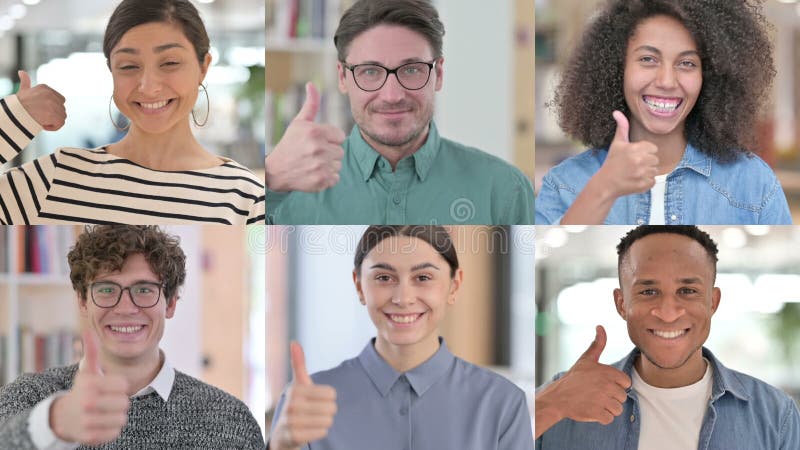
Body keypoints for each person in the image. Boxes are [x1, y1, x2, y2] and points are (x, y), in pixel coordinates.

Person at [265, 0, 535, 225]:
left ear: (438, 74)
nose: (392, 95)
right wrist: (271, 181)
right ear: (343, 77)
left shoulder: (504, 191)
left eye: (411, 70)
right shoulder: (284, 190)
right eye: (370, 71)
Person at [268, 226, 534, 449]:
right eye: (384, 277)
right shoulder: (305, 403)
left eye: (423, 277)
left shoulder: (503, 403)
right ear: (359, 286)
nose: (403, 298)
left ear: (454, 285)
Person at [0, 0, 265, 224]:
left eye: (170, 62)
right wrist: (12, 119)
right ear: (111, 71)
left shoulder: (244, 196)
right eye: (128, 66)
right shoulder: (58, 178)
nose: (149, 87)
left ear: (203, 67)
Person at [535, 226, 800, 449]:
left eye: (687, 290)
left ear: (713, 302)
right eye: (649, 292)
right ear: (621, 303)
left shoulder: (776, 415)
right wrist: (548, 405)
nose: (668, 313)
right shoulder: (563, 397)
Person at [0, 225, 265, 448]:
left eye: (144, 290)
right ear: (82, 301)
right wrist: (54, 423)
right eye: (106, 289)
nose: (125, 308)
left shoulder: (231, 420)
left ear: (170, 303)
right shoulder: (27, 398)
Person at [535, 0, 791, 225]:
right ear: (617, 68)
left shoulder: (754, 185)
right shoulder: (564, 184)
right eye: (648, 59)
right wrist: (604, 188)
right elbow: (532, 259)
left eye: (687, 63)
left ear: (709, 77)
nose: (667, 81)